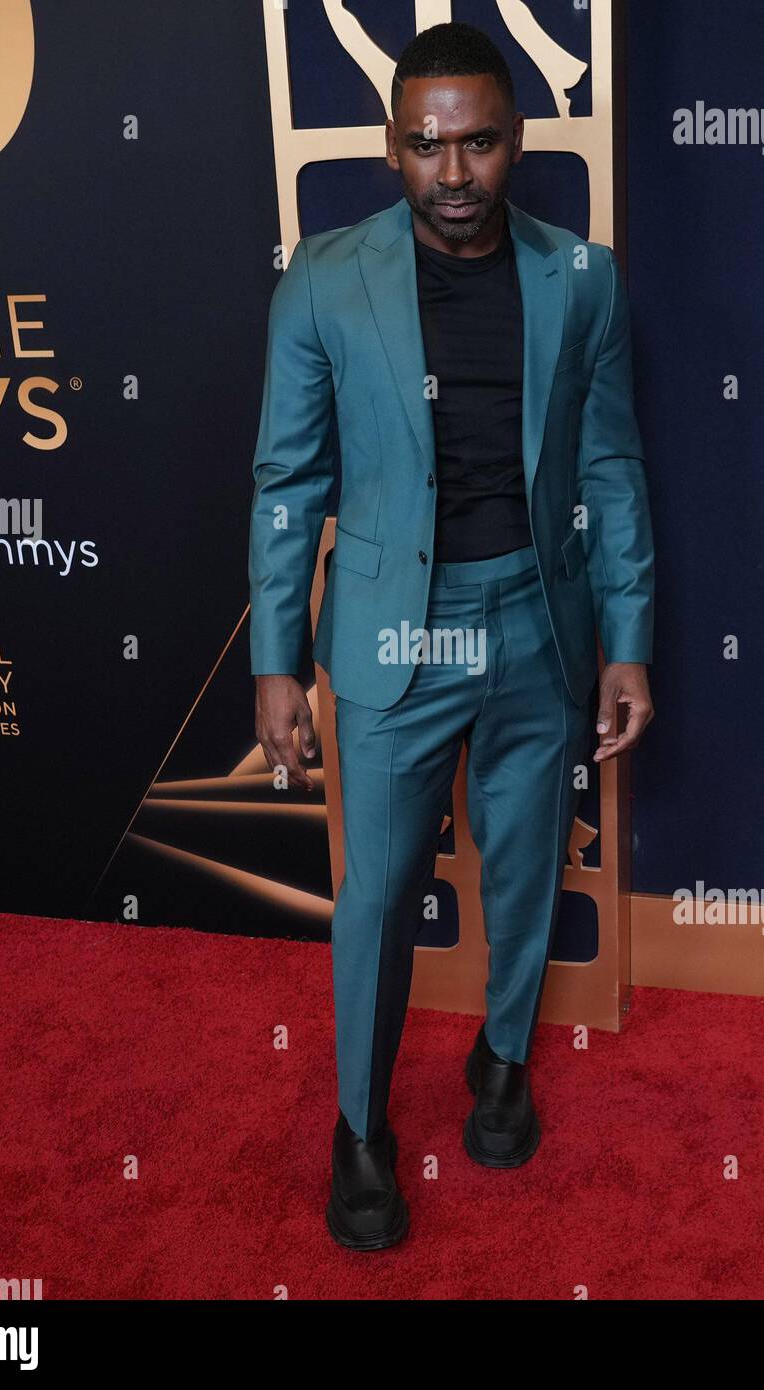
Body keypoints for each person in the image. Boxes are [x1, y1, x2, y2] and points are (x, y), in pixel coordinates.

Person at [249, 21, 655, 1251]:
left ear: (514, 140)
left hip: (535, 624)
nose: (454, 171)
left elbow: (611, 465)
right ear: (391, 149)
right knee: (375, 896)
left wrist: (627, 635)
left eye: (477, 140)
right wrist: (277, 662)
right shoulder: (322, 278)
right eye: (427, 145)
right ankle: (360, 1132)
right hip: (388, 638)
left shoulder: (579, 278)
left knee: (527, 865)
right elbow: (287, 478)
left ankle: (501, 1055)